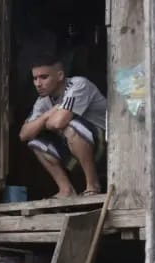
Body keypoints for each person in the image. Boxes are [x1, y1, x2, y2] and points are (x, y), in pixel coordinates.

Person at [19, 55, 107, 198]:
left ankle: (92, 185)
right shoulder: (43, 100)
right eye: (35, 78)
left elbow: (58, 123)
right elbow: (24, 134)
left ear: (60, 75)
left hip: (107, 147)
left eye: (44, 77)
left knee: (72, 127)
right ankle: (66, 190)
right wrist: (48, 114)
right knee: (36, 143)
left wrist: (44, 122)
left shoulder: (78, 85)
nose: (38, 83)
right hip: (77, 151)